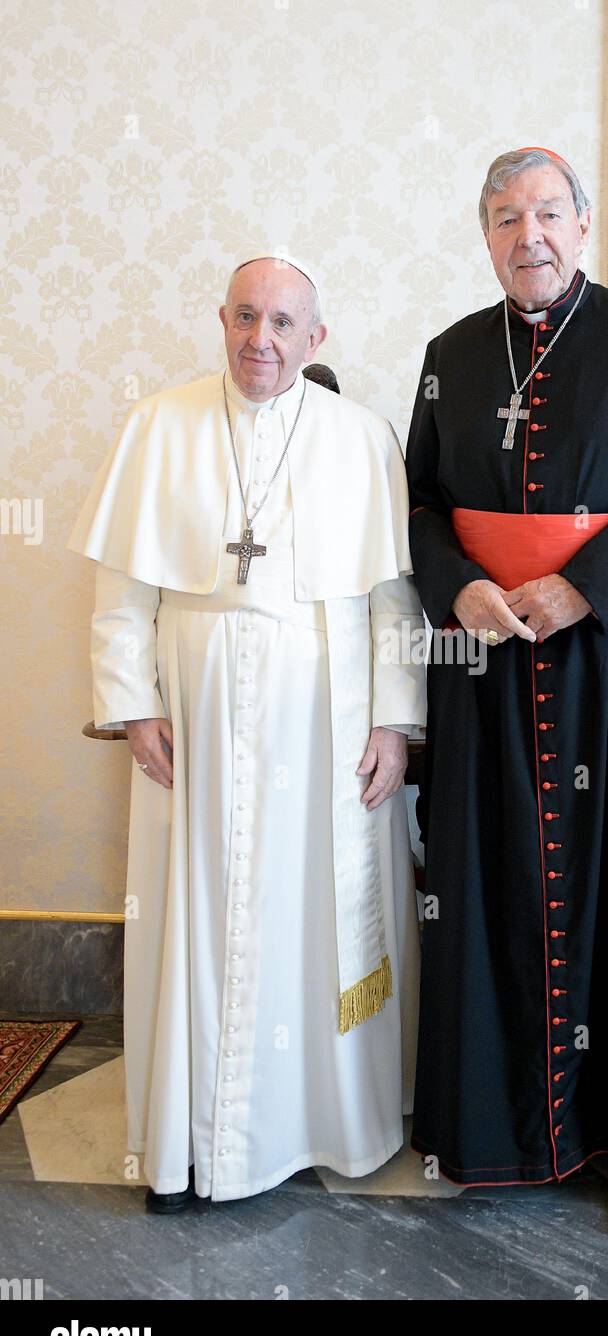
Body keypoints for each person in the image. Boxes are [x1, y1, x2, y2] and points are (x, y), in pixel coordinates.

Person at [404, 148, 608, 1240]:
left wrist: (582, 587)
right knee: (490, 884)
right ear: (485, 236)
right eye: (505, 217)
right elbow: (415, 506)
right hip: (486, 668)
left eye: (547, 212)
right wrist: (458, 589)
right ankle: (494, 1132)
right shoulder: (451, 355)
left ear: (582, 226)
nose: (528, 234)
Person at [67, 252, 426, 1209]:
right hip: (195, 716)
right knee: (198, 912)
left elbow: (394, 602)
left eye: (281, 323)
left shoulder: (362, 437)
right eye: (244, 317)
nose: (259, 340)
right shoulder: (159, 425)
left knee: (312, 915)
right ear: (221, 321)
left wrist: (395, 723)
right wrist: (134, 703)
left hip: (328, 725)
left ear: (316, 338)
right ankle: (191, 1141)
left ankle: (319, 1127)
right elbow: (121, 593)